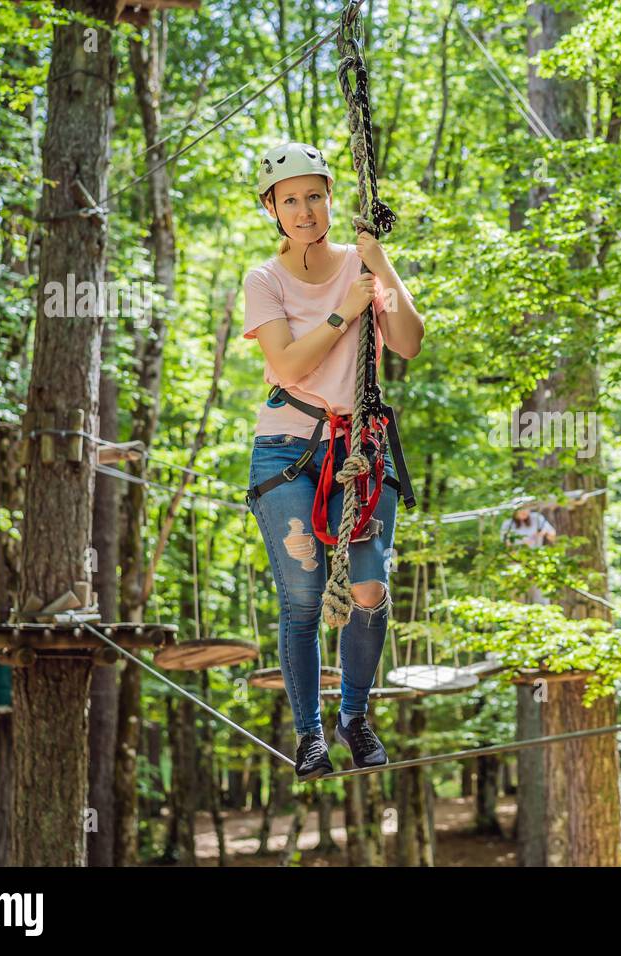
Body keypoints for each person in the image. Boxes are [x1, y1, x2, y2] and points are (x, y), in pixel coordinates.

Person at [242, 143, 424, 780]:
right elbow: (289, 365)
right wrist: (348, 309)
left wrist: (381, 266)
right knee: (304, 596)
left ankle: (354, 714)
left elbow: (407, 341)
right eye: (289, 199)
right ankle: (310, 734)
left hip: (361, 448)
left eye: (313, 195)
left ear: (327, 197)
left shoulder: (361, 264)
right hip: (289, 449)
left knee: (370, 591)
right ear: (272, 208)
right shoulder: (264, 279)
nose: (305, 209)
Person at [500, 507, 556, 604]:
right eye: (521, 509)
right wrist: (522, 543)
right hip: (517, 561)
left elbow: (552, 534)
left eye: (526, 509)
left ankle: (543, 612)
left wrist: (542, 533)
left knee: (539, 590)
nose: (524, 512)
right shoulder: (508, 524)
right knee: (517, 591)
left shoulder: (537, 518)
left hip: (536, 559)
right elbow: (506, 544)